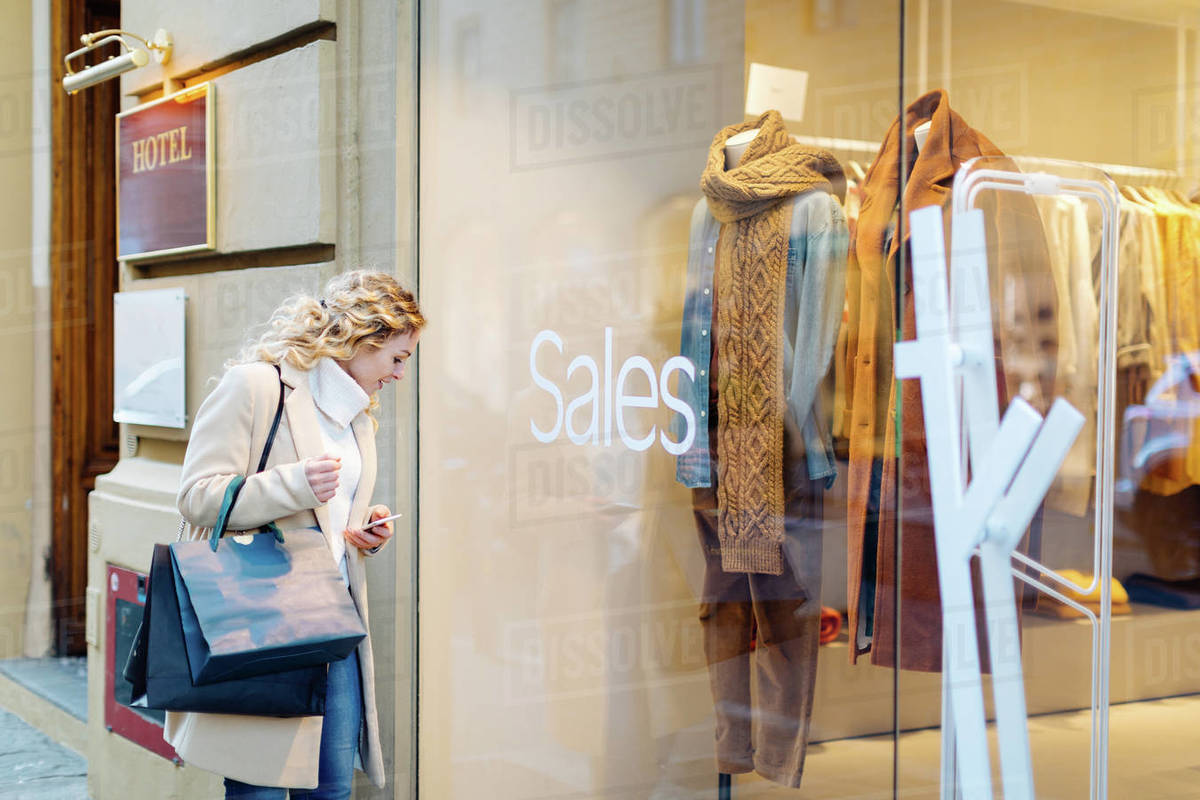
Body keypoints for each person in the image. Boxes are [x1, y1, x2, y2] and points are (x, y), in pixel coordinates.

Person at [167, 270, 424, 798]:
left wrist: (363, 529)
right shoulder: (257, 386)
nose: (401, 374)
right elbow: (196, 496)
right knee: (258, 789)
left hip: (332, 626)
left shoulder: (357, 414)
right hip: (262, 625)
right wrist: (293, 484)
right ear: (361, 339)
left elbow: (327, 516)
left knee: (331, 790)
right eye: (397, 358)